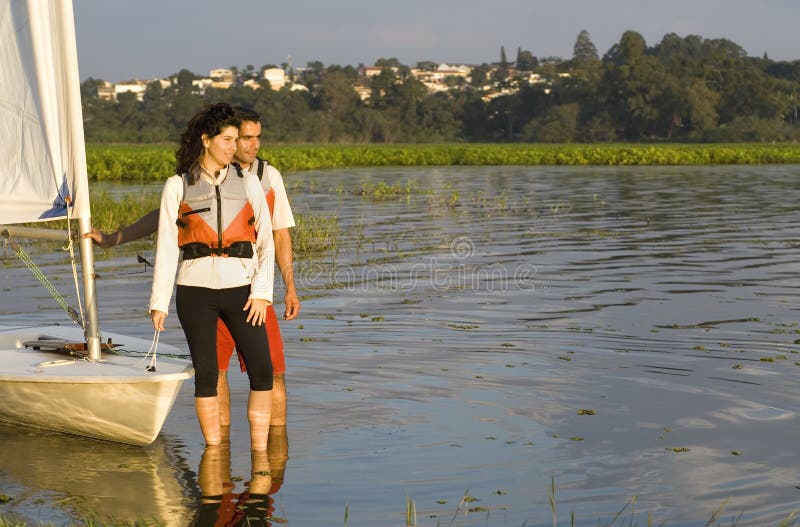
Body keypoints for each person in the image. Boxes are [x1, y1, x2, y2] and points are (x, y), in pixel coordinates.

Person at [85, 108, 300, 433]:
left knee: (271, 371)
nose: (251, 145)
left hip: (251, 289)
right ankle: (219, 450)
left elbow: (278, 234)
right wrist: (115, 239)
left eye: (256, 138)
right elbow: (166, 219)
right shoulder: (190, 181)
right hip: (202, 287)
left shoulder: (266, 177)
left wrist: (286, 287)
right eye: (243, 138)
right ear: (214, 139)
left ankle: (274, 448)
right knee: (214, 373)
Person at [149, 102, 274, 450]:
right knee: (206, 376)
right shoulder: (178, 185)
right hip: (195, 292)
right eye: (227, 140)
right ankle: (215, 453)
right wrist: (159, 303)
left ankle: (260, 456)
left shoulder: (249, 182)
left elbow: (265, 242)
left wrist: (262, 293)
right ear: (206, 140)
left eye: (236, 140)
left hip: (242, 291)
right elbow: (166, 246)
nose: (234, 147)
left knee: (262, 371)